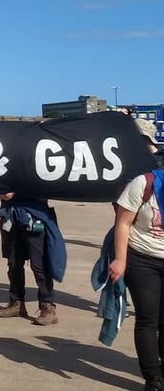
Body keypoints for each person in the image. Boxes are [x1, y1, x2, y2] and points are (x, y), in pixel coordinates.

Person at [110, 118, 164, 390]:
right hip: (143, 258)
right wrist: (120, 260)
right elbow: (122, 223)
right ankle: (153, 377)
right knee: (148, 317)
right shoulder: (144, 184)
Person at [0, 189, 65, 326]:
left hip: (35, 214)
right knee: (13, 262)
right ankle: (16, 303)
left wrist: (19, 193)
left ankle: (48, 306)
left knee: (39, 264)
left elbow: (44, 183)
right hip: (10, 213)